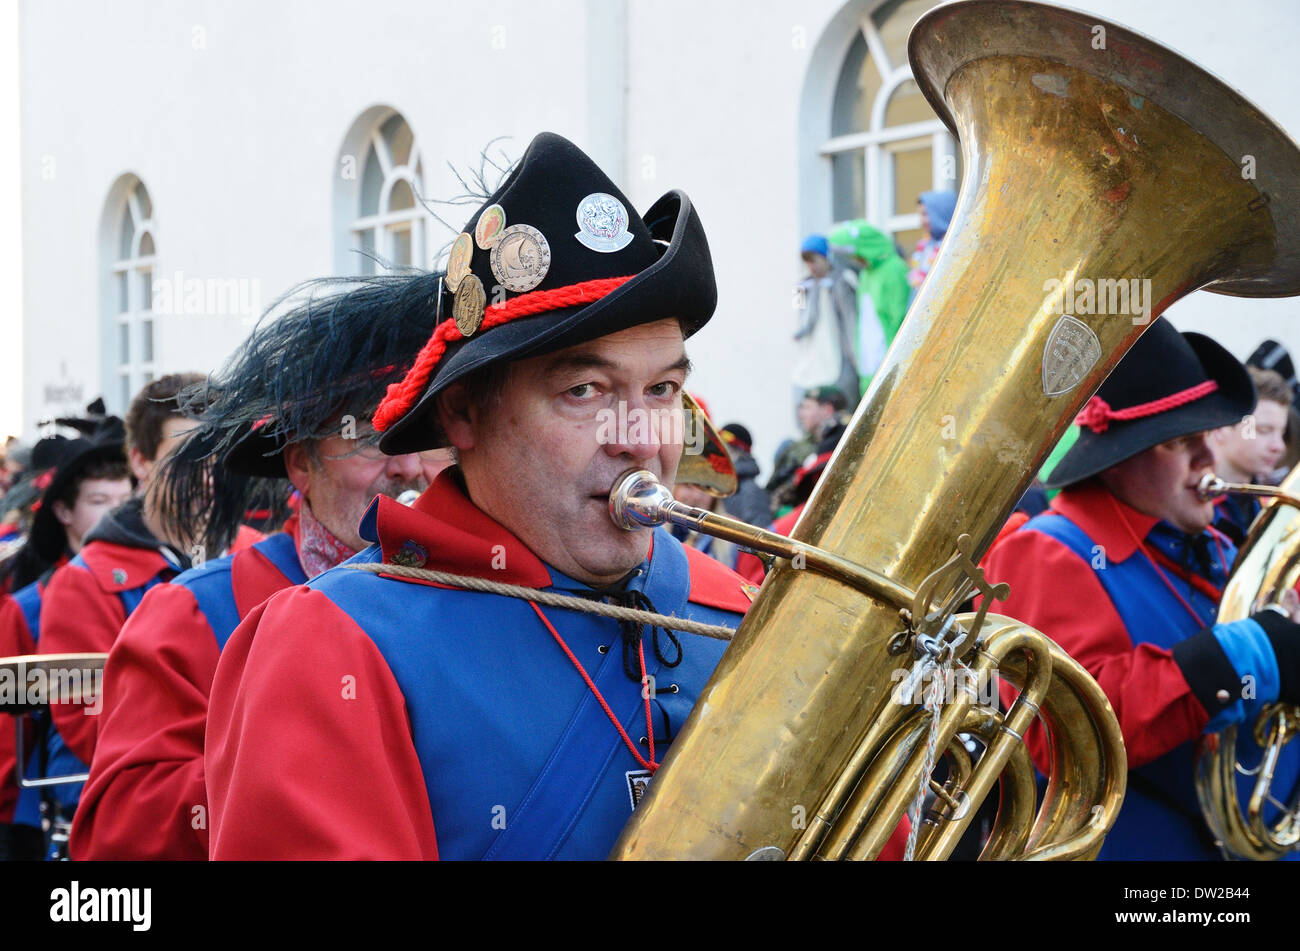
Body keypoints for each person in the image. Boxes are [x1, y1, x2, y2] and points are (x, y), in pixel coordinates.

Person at [206, 132, 908, 860]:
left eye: (663, 388)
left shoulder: (739, 610)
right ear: (463, 414)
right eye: (585, 390)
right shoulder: (330, 645)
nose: (641, 437)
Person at [69, 276, 447, 860]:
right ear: (301, 464)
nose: (412, 467)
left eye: (430, 435)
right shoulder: (194, 612)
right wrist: (289, 770)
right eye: (376, 437)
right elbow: (118, 833)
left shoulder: (499, 595)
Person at [981, 319, 1300, 860]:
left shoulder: (1216, 544)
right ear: (1121, 457)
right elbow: (1062, 737)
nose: (1206, 459)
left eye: (1206, 435)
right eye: (1181, 441)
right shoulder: (1044, 550)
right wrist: (1252, 651)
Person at [36, 374, 207, 824]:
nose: (206, 475)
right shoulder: (82, 582)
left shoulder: (252, 552)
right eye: (186, 457)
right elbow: (89, 725)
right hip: (146, 819)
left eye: (216, 454)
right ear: (140, 461)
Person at [0, 420, 131, 859]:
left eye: (125, 499)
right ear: (63, 511)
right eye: (99, 501)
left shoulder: (166, 585)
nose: (115, 512)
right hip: (61, 803)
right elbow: (9, 727)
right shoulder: (29, 604)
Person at [1207, 366, 1291, 544]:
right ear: (1222, 426)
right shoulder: (1194, 504)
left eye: (1282, 433)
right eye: (1263, 430)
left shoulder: (1266, 504)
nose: (1279, 446)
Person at [827, 219, 910, 394]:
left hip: (891, 363)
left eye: (857, 254)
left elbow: (899, 317)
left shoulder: (895, 269)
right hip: (868, 366)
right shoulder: (865, 274)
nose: (855, 260)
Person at [792, 234, 860, 409]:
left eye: (814, 260)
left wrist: (855, 357)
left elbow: (850, 318)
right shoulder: (802, 286)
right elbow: (798, 318)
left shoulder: (842, 279)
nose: (811, 266)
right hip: (812, 352)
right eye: (807, 262)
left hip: (837, 350)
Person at [766, 385, 847, 514]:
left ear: (827, 410)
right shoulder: (796, 447)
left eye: (807, 407)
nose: (801, 414)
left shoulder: (843, 442)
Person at [906, 189, 957, 303]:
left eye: (925, 214)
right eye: (920, 215)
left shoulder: (955, 247)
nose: (922, 221)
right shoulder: (925, 246)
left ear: (942, 212)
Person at [718, 423, 771, 528]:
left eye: (723, 449)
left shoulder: (752, 492)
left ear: (738, 453)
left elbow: (759, 538)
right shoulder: (719, 485)